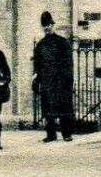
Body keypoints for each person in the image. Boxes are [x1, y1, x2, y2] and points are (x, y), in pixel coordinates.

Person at [32, 11, 74, 142]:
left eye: (49, 24)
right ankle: (51, 134)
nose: (47, 27)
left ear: (53, 25)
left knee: (64, 108)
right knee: (47, 109)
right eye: (44, 25)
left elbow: (68, 64)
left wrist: (67, 81)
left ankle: (66, 134)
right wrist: (36, 80)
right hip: (47, 82)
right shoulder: (40, 45)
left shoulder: (62, 43)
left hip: (61, 82)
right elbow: (37, 66)